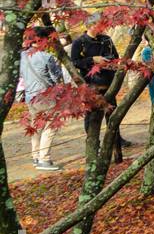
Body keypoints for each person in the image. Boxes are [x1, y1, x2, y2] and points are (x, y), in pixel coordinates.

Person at [70, 27, 124, 161]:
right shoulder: (79, 42)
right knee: (92, 118)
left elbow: (116, 58)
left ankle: (117, 152)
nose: (101, 28)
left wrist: (110, 62)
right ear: (90, 25)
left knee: (112, 116)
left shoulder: (107, 39)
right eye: (98, 25)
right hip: (91, 86)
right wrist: (92, 60)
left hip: (109, 83)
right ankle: (93, 151)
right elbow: (75, 62)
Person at [20, 26, 67, 171]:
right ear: (41, 39)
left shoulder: (21, 56)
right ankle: (44, 159)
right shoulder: (46, 57)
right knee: (49, 127)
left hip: (30, 96)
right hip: (46, 97)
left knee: (36, 126)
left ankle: (35, 156)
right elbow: (57, 77)